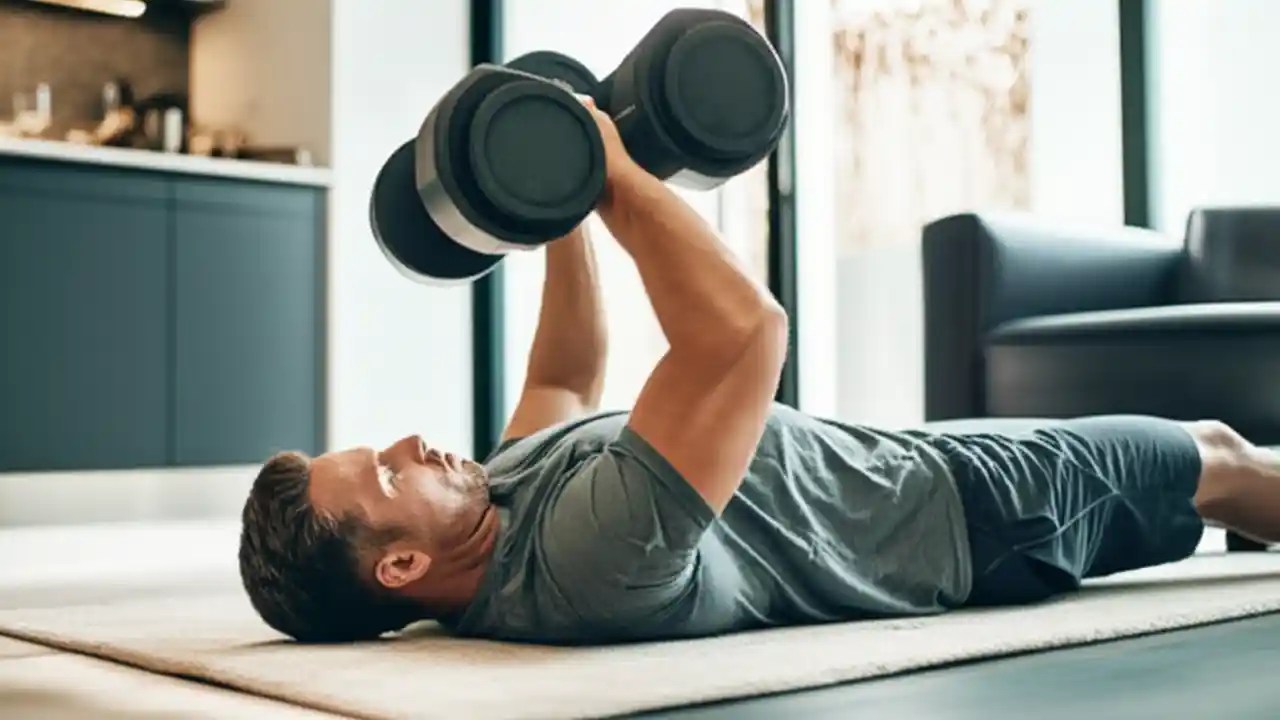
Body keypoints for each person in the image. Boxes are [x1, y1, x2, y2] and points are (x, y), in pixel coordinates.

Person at [238, 99, 1280, 645]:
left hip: (909, 468)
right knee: (1215, 459)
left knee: (1220, 471)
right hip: (976, 518)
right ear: (400, 571)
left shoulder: (494, 502)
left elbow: (564, 375)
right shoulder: (580, 564)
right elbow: (742, 335)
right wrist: (610, 176)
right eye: (385, 474)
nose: (411, 444)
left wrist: (553, 208)